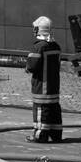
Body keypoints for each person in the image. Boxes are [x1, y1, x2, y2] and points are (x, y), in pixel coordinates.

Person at [25, 15, 63, 143]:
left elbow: (31, 66)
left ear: (39, 30)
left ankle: (40, 135)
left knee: (41, 109)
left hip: (41, 86)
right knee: (54, 109)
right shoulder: (56, 46)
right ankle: (56, 134)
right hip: (54, 86)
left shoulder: (38, 47)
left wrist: (27, 66)